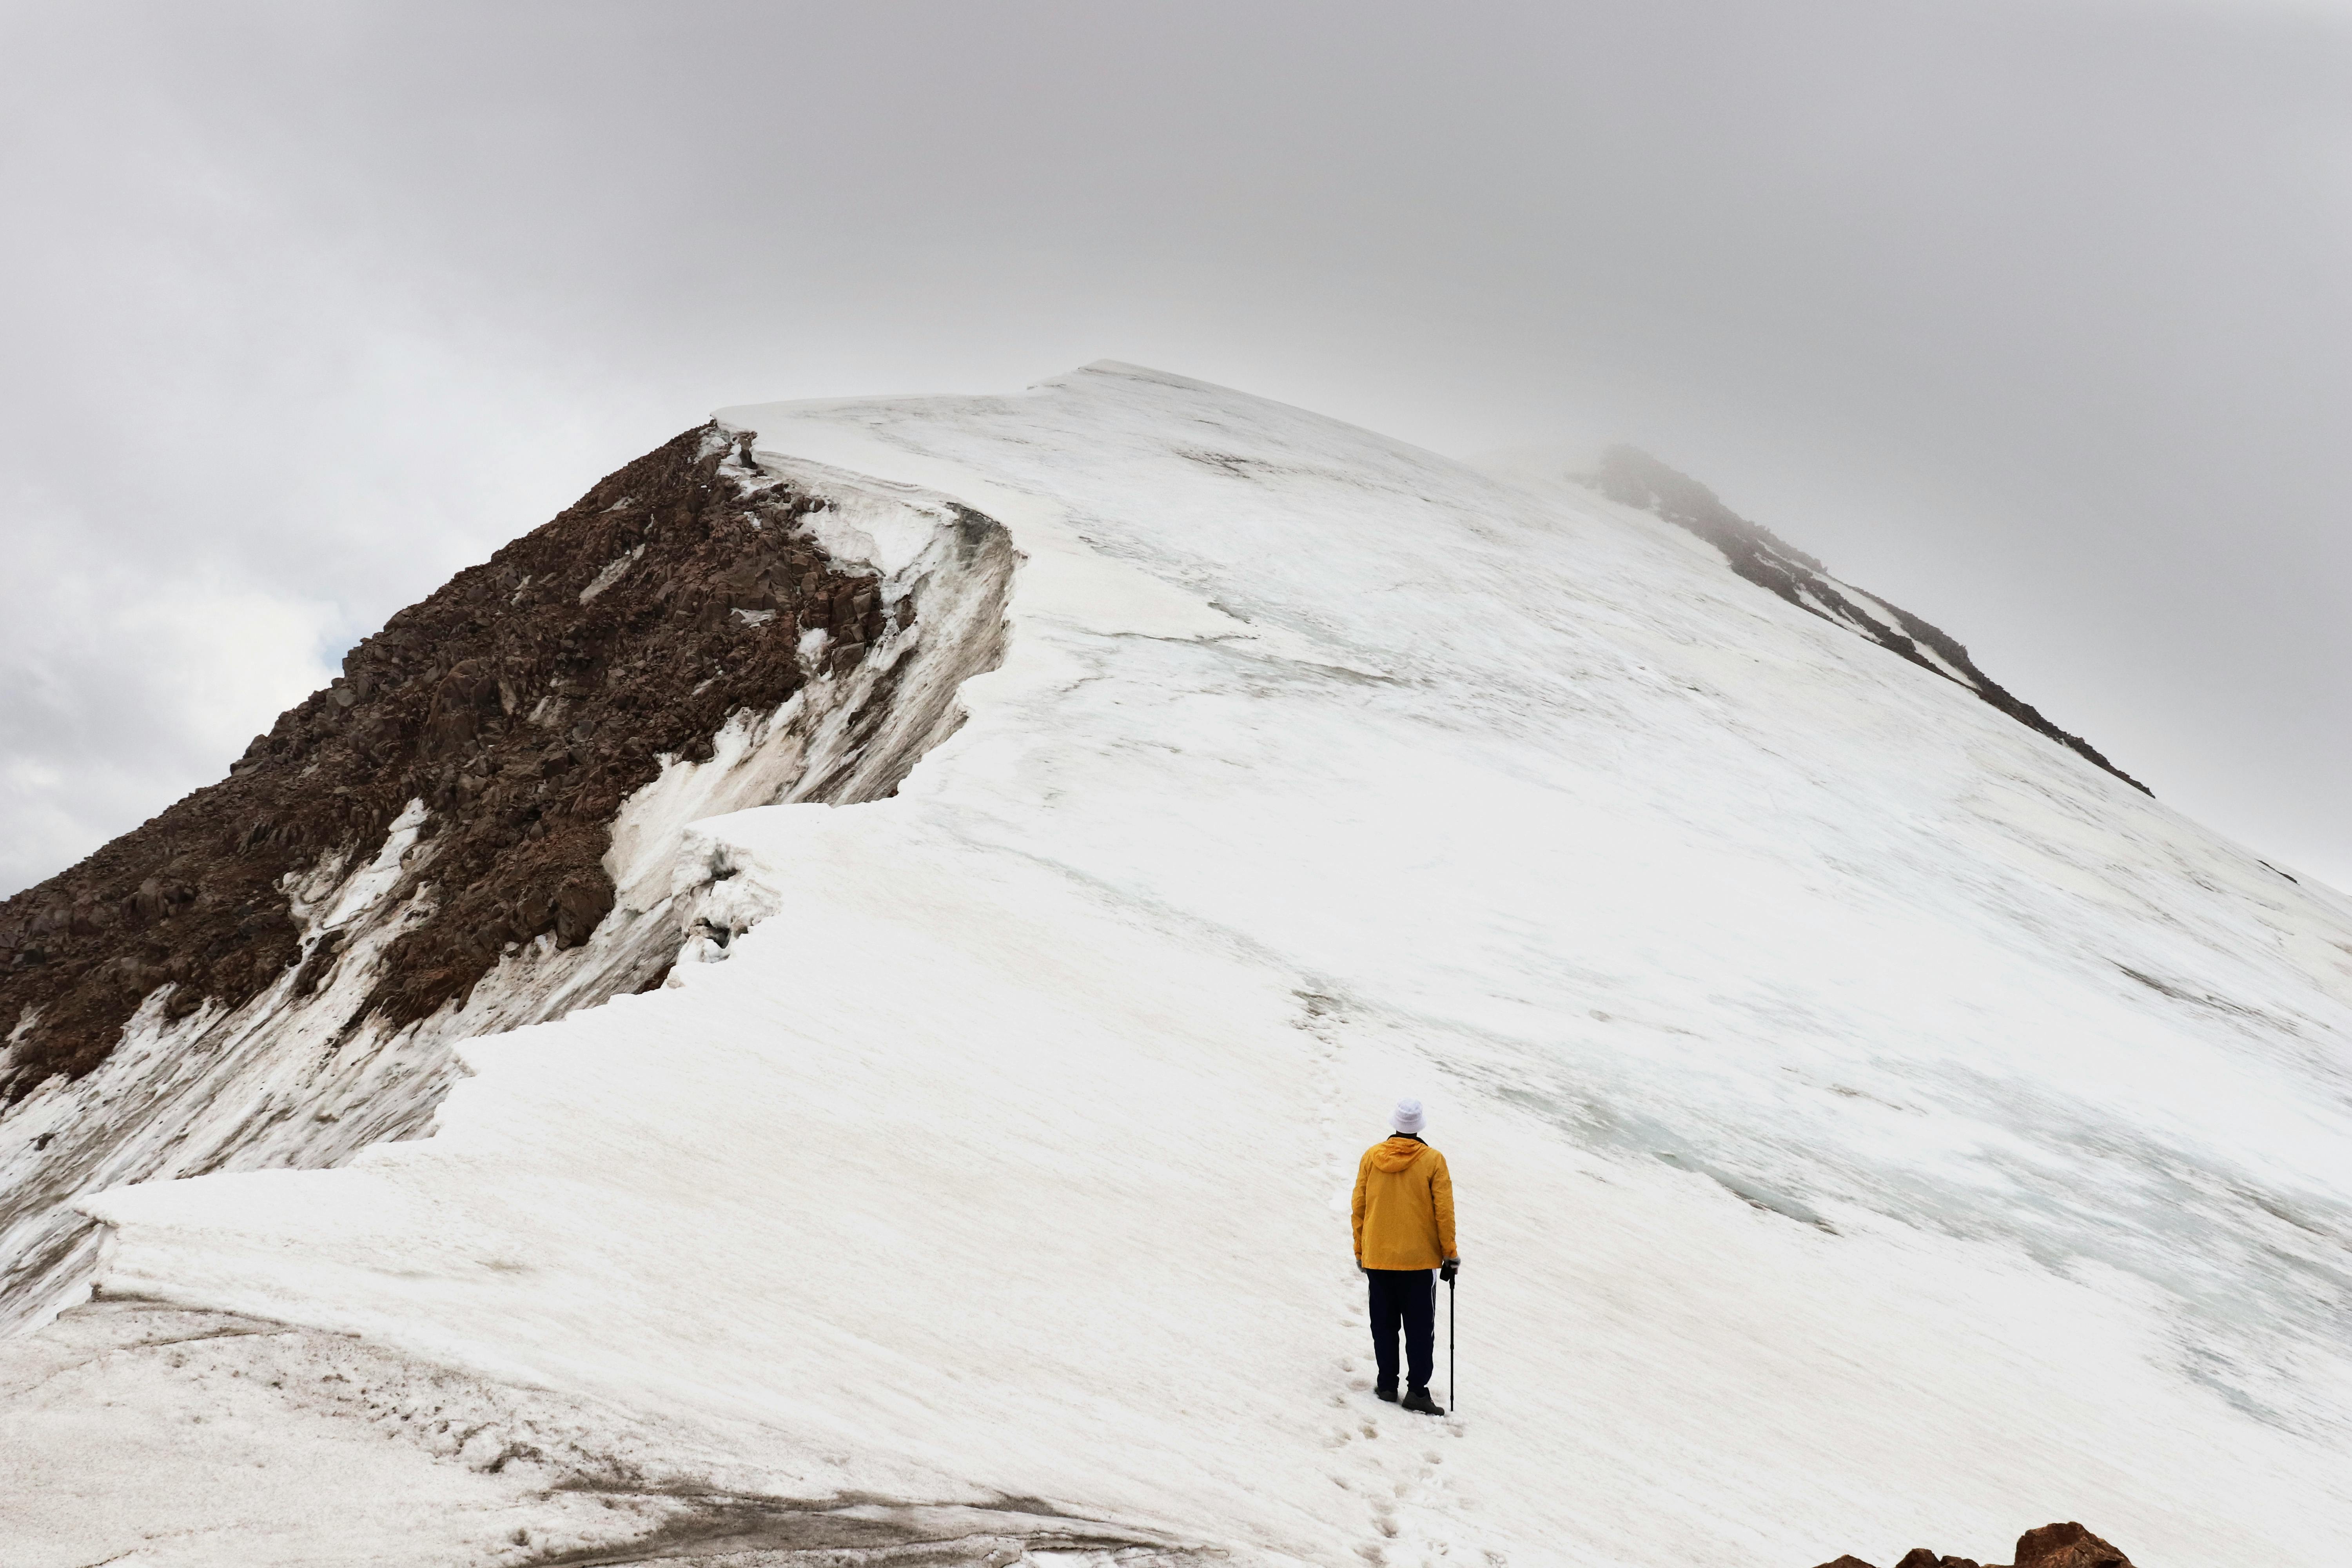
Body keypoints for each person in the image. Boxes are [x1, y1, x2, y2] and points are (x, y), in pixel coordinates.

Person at [1350, 1097, 1459, 1415]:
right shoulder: (1433, 1160)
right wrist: (1450, 1255)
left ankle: (1386, 1385)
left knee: (1383, 1325)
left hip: (1379, 1258)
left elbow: (1359, 1208)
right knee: (1419, 1328)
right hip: (1419, 1262)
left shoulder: (1372, 1157)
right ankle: (1417, 1392)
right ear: (1420, 1125)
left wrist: (1361, 1251)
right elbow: (1444, 1213)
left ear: (1395, 1124)